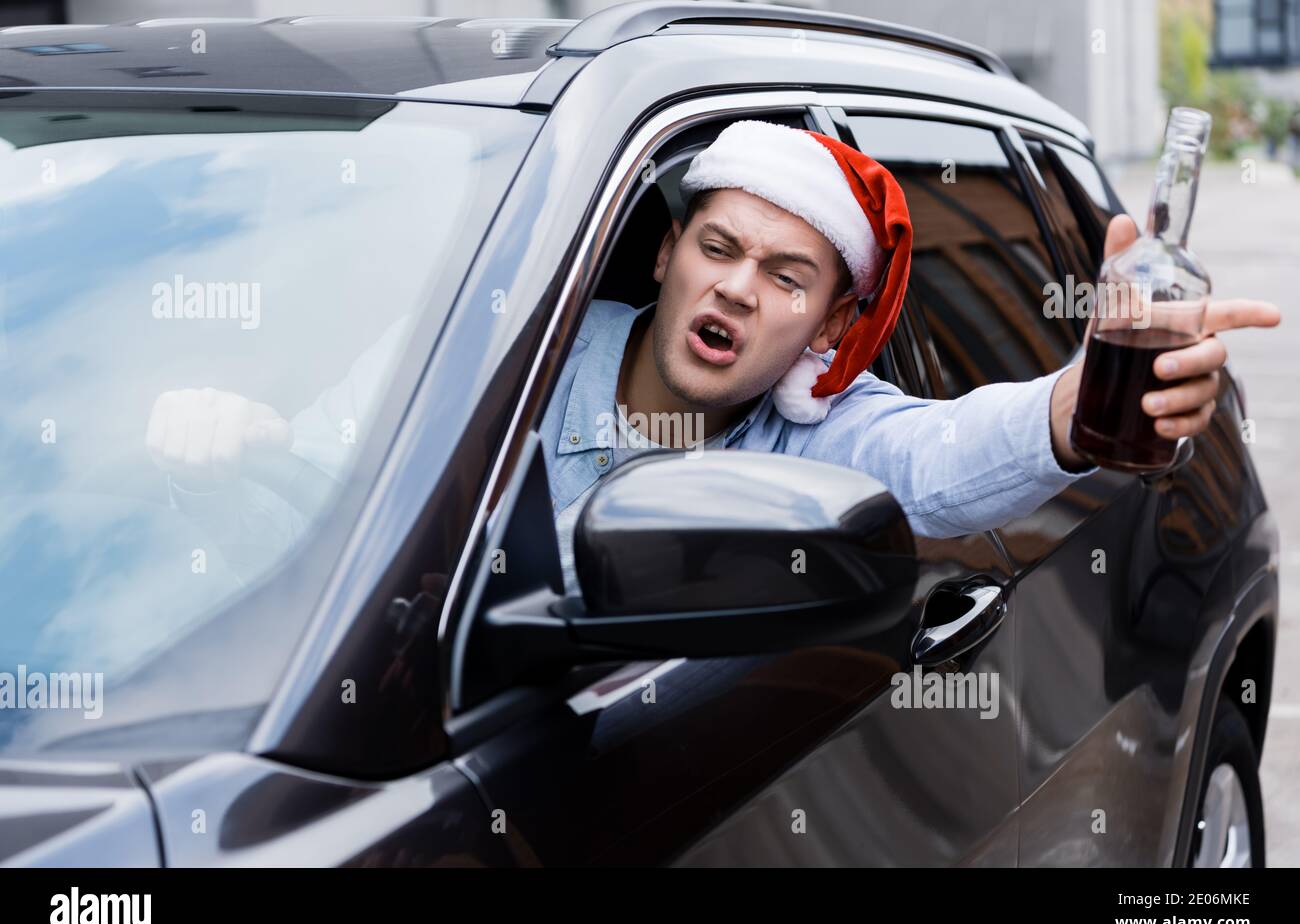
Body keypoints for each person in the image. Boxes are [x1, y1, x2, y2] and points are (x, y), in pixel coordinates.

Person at [149, 120, 1282, 594]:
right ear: (665, 257)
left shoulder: (819, 432)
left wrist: (1074, 406)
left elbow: (938, 456)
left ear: (830, 330)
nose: (738, 286)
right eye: (719, 247)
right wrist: (233, 445)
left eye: (788, 277)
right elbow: (335, 496)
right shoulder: (499, 363)